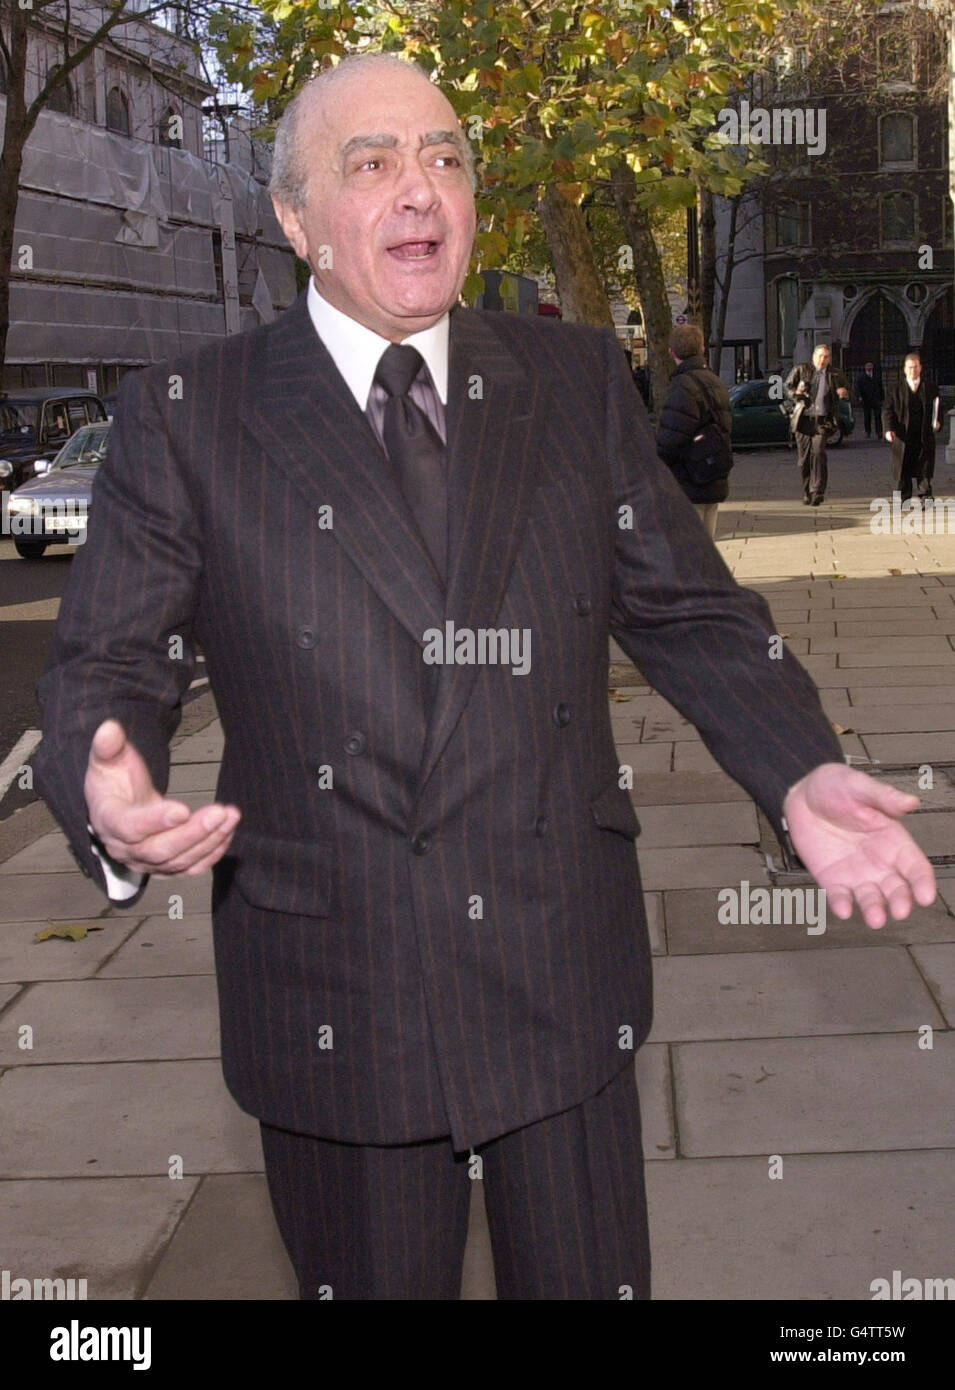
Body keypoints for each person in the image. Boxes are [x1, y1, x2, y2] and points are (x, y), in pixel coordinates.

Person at [33, 54, 935, 1302]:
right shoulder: (193, 413)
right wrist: (104, 779)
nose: (421, 189)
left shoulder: (567, 384)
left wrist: (796, 766)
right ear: (296, 220)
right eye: (374, 162)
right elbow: (108, 661)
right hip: (336, 997)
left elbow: (693, 610)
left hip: (559, 976)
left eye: (446, 157)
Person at [655, 323, 732, 539]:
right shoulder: (716, 382)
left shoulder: (682, 387)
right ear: (702, 349)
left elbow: (670, 440)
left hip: (688, 480)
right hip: (713, 473)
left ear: (672, 352)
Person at [784, 344, 849, 506]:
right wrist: (796, 394)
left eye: (826, 357)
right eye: (820, 356)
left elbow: (848, 391)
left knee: (819, 453)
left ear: (830, 359)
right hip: (804, 419)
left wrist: (844, 393)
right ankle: (806, 491)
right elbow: (787, 387)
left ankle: (818, 491)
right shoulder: (801, 369)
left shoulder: (835, 374)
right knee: (804, 460)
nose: (822, 360)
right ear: (813, 356)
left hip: (823, 421)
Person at [883, 352, 942, 502]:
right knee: (903, 468)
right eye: (909, 367)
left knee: (924, 468)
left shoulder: (930, 387)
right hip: (903, 435)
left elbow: (938, 408)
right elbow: (888, 410)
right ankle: (903, 499)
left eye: (915, 367)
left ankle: (926, 497)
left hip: (924, 435)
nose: (912, 370)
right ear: (904, 369)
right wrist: (889, 429)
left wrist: (938, 422)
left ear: (920, 368)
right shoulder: (895, 389)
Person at [855, 361, 884, 439]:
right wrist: (859, 396)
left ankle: (879, 432)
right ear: (865, 367)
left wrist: (882, 398)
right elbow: (858, 388)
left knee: (878, 417)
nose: (869, 367)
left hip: (876, 399)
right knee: (867, 417)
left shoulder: (877, 376)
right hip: (866, 399)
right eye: (867, 366)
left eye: (870, 366)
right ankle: (867, 431)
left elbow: (881, 387)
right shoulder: (861, 377)